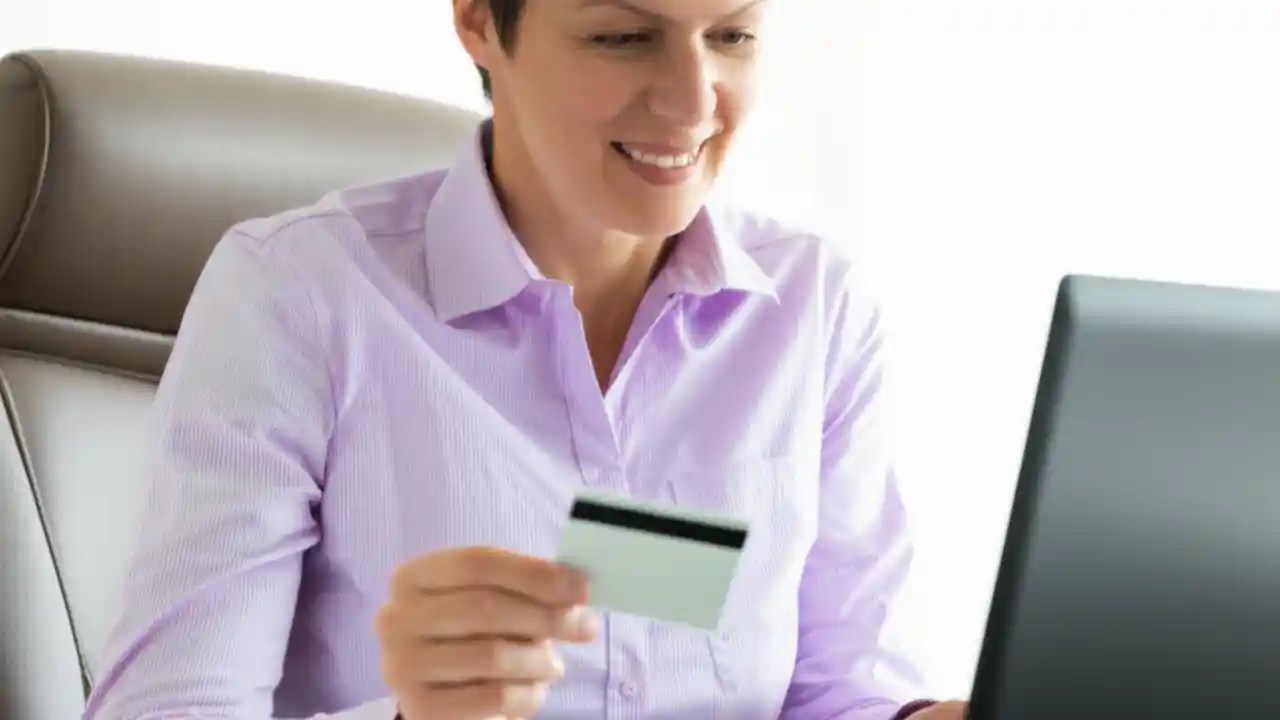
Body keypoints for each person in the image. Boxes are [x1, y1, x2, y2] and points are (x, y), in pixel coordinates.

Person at [85, 0, 971, 718]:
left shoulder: (815, 308)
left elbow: (840, 690)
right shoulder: (300, 293)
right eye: (623, 36)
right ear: (478, 21)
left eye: (732, 35)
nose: (693, 101)